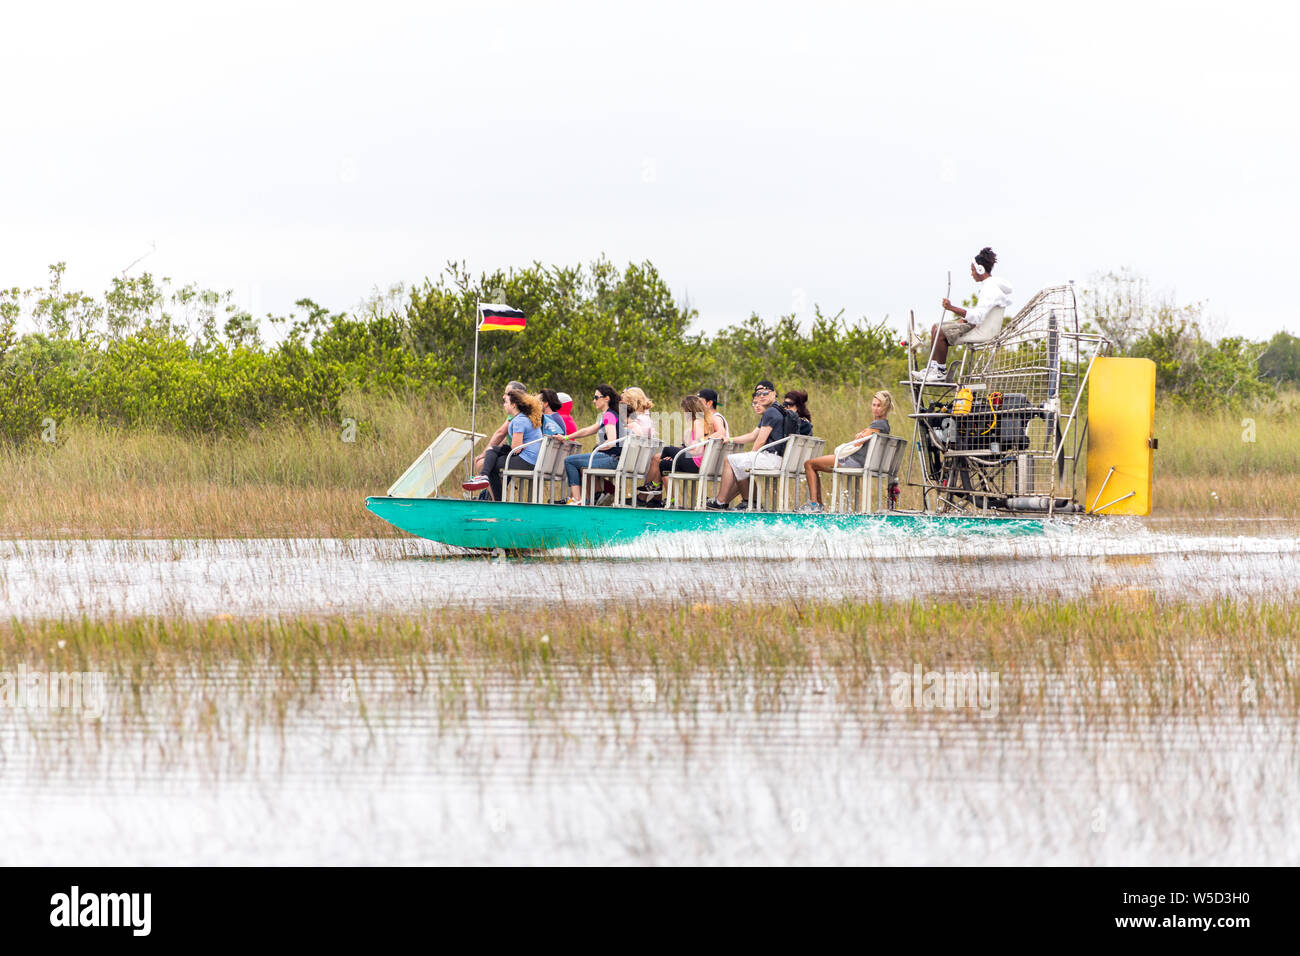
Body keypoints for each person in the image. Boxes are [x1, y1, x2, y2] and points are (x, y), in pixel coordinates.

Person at [914, 247, 1013, 383]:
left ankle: (940, 372)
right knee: (935, 327)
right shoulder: (989, 286)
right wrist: (963, 319)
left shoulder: (990, 289)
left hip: (981, 330)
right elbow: (981, 314)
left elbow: (978, 317)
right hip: (977, 325)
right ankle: (933, 368)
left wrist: (951, 308)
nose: (971, 273)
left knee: (940, 332)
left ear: (980, 270)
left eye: (972, 270)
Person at [799, 390, 893, 512]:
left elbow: (858, 441)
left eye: (879, 405)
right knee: (813, 465)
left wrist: (862, 434)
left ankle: (814, 505)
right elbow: (862, 437)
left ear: (885, 408)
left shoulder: (878, 424)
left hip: (854, 461)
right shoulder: (883, 425)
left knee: (809, 464)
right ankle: (817, 504)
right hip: (859, 460)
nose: (875, 408)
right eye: (873, 405)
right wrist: (863, 433)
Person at [706, 381, 791, 510]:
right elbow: (752, 436)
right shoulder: (776, 410)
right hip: (777, 458)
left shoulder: (771, 412)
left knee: (729, 460)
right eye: (758, 393)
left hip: (771, 458)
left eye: (765, 392)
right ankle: (748, 501)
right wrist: (730, 439)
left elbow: (760, 441)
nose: (761, 396)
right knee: (739, 462)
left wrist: (751, 455)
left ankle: (721, 501)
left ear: (774, 393)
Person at [640, 394, 726, 504]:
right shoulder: (701, 421)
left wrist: (681, 453)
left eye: (684, 410)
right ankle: (658, 487)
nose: (684, 413)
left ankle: (654, 485)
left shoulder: (698, 422)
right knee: (663, 464)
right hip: (695, 460)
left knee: (667, 449)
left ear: (690, 410)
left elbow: (698, 450)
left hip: (695, 463)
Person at [464, 388, 543, 501]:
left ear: (514, 405)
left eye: (506, 402)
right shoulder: (525, 418)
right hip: (532, 460)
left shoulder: (518, 421)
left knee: (490, 464)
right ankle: (484, 477)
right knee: (492, 450)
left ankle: (497, 499)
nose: (504, 405)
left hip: (526, 460)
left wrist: (504, 449)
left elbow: (516, 449)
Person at [561, 384, 623, 505]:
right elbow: (587, 430)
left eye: (596, 397)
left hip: (611, 459)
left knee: (569, 461)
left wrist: (598, 450)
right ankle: (592, 497)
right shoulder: (610, 414)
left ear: (606, 398)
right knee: (580, 465)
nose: (593, 401)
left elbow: (611, 440)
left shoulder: (609, 415)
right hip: (614, 458)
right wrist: (566, 437)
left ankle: (577, 500)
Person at [472, 380, 527, 475]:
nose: (503, 397)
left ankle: (492, 488)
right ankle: (490, 489)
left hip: (522, 457)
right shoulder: (523, 413)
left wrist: (483, 454)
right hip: (523, 456)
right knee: (491, 455)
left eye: (507, 394)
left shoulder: (518, 417)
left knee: (483, 463)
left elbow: (500, 433)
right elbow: (507, 439)